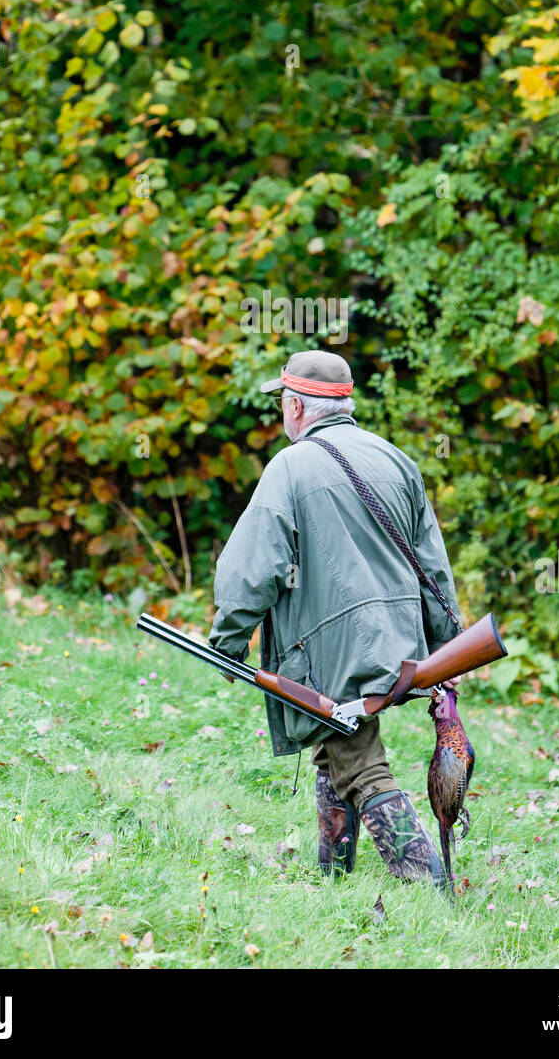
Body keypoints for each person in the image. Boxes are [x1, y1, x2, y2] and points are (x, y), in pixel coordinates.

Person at [209, 349, 462, 887]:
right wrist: (447, 647)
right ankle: (333, 879)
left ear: (297, 407)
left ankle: (431, 886)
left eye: (282, 401)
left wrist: (227, 642)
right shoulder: (396, 460)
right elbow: (433, 567)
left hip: (332, 646)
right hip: (399, 644)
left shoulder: (291, 467)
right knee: (337, 742)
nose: (282, 411)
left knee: (360, 762)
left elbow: (250, 570)